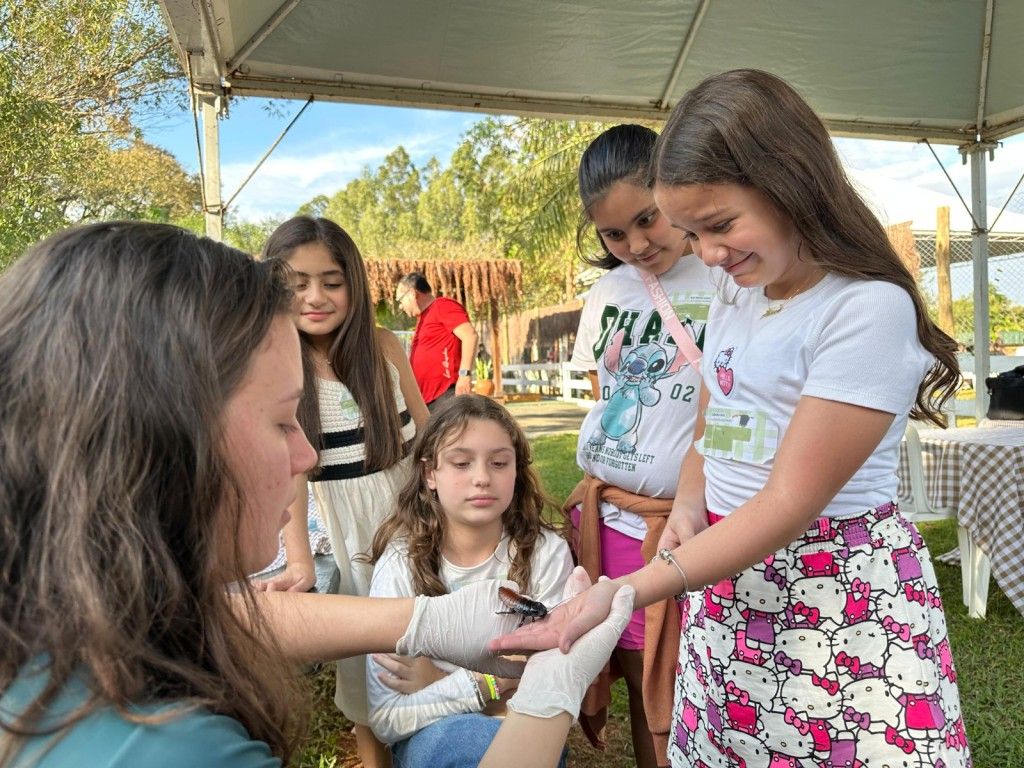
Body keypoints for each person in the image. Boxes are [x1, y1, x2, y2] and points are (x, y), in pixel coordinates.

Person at [0, 221, 633, 768]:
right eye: (284, 423)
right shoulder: (183, 749)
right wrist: (553, 689)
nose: (307, 456)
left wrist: (429, 620)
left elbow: (218, 618)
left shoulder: (67, 641)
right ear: (166, 439)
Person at [493, 69, 972, 768]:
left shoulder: (864, 309)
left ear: (791, 181)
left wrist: (626, 591)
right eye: (693, 232)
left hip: (835, 593)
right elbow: (717, 409)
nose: (710, 254)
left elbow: (786, 504)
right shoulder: (739, 287)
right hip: (729, 577)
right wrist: (691, 501)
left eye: (719, 225)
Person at [566, 124, 714, 767]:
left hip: (688, 526)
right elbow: (607, 395)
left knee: (688, 682)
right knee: (632, 672)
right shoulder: (607, 293)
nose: (636, 244)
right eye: (614, 234)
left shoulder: (725, 276)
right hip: (609, 522)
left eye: (647, 219)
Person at [260, 216, 429, 768]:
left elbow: (425, 431)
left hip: (409, 512)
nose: (315, 296)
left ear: (354, 283)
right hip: (344, 528)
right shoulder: (274, 361)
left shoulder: (383, 346)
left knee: (428, 633)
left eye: (331, 281)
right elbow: (292, 471)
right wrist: (300, 558)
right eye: (296, 283)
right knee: (365, 664)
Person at [365, 394, 573, 767]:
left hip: (526, 732)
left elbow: (556, 687)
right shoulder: (398, 565)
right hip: (434, 745)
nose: (481, 478)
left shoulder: (547, 553)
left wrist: (436, 682)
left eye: (498, 463)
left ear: (516, 470)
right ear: (430, 474)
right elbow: (386, 718)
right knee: (468, 744)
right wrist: (494, 685)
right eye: (461, 463)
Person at [395, 272, 478, 412]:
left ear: (413, 294)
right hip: (428, 399)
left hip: (445, 394)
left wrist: (464, 376)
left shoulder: (442, 306)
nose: (400, 307)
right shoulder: (424, 318)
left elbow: (470, 335)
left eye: (400, 300)